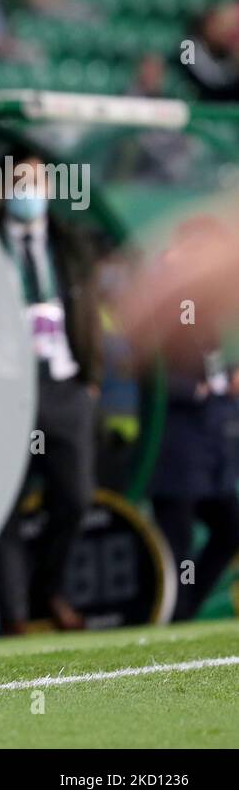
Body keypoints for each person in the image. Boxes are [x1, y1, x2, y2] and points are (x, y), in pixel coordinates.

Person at [0, 153, 103, 634]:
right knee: (2, 504)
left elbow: (90, 310)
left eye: (36, 181)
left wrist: (90, 375)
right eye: (19, 181)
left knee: (75, 498)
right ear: (3, 186)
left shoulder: (69, 245)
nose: (28, 191)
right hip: (1, 387)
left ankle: (47, 589)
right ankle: (11, 613)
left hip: (62, 384)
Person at [144, 216, 239, 620]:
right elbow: (144, 360)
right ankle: (170, 615)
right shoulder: (164, 297)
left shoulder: (210, 305)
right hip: (173, 442)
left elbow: (214, 359)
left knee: (231, 524)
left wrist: (226, 378)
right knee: (175, 538)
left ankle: (185, 610)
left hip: (210, 439)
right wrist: (195, 389)